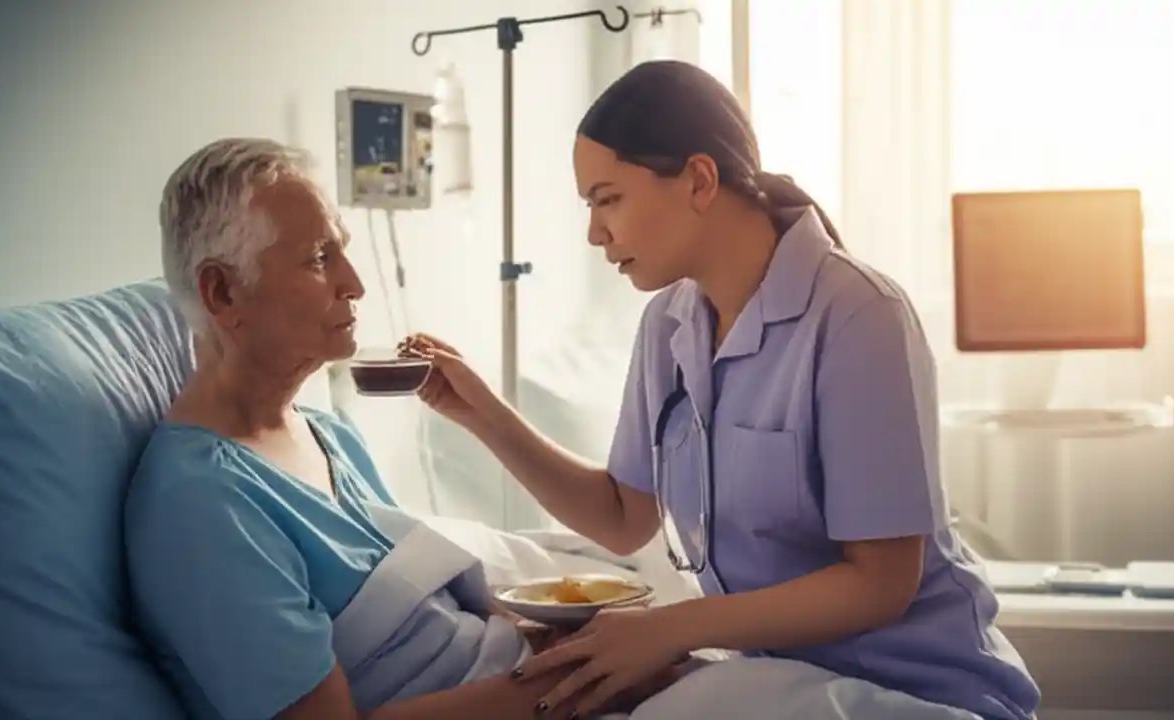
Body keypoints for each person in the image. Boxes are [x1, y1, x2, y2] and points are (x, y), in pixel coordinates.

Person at [413, 60, 1041, 720]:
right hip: (779, 682)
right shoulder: (669, 324)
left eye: (607, 199)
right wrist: (481, 412)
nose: (594, 232)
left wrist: (674, 628)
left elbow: (879, 586)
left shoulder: (860, 315)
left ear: (699, 180)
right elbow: (623, 517)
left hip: (921, 692)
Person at [124, 138, 671, 720]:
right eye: (318, 259)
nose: (354, 283)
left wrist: (562, 644)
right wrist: (586, 679)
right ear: (223, 291)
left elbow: (432, 619)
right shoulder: (201, 505)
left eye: (343, 253)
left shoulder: (328, 436)